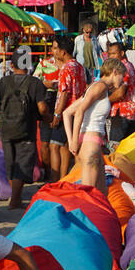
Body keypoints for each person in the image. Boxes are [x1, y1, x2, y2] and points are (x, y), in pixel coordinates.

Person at [0, 51, 50, 210]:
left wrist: (5, 106)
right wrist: (48, 118)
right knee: (22, 163)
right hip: (26, 128)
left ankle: (15, 197)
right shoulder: (35, 83)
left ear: (12, 65)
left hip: (7, 128)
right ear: (28, 65)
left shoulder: (3, 81)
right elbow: (42, 108)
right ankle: (15, 200)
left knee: (11, 163)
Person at [65, 58, 128, 193]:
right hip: (90, 144)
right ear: (115, 72)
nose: (123, 80)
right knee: (90, 194)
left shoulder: (96, 87)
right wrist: (73, 141)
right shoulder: (100, 86)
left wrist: (72, 141)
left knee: (102, 193)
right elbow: (79, 111)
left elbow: (67, 113)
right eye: (122, 76)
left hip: (92, 144)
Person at [48, 36, 86, 179]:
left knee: (54, 146)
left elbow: (64, 93)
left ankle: (55, 181)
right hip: (78, 112)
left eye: (56, 49)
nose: (54, 52)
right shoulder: (78, 66)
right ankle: (66, 179)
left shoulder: (66, 68)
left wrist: (57, 114)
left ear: (63, 52)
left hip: (66, 112)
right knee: (66, 147)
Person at [103, 42, 135, 141]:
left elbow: (120, 93)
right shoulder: (129, 65)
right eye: (109, 54)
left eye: (114, 53)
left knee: (116, 149)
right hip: (131, 113)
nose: (110, 56)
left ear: (122, 53)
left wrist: (104, 101)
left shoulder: (121, 68)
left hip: (121, 113)